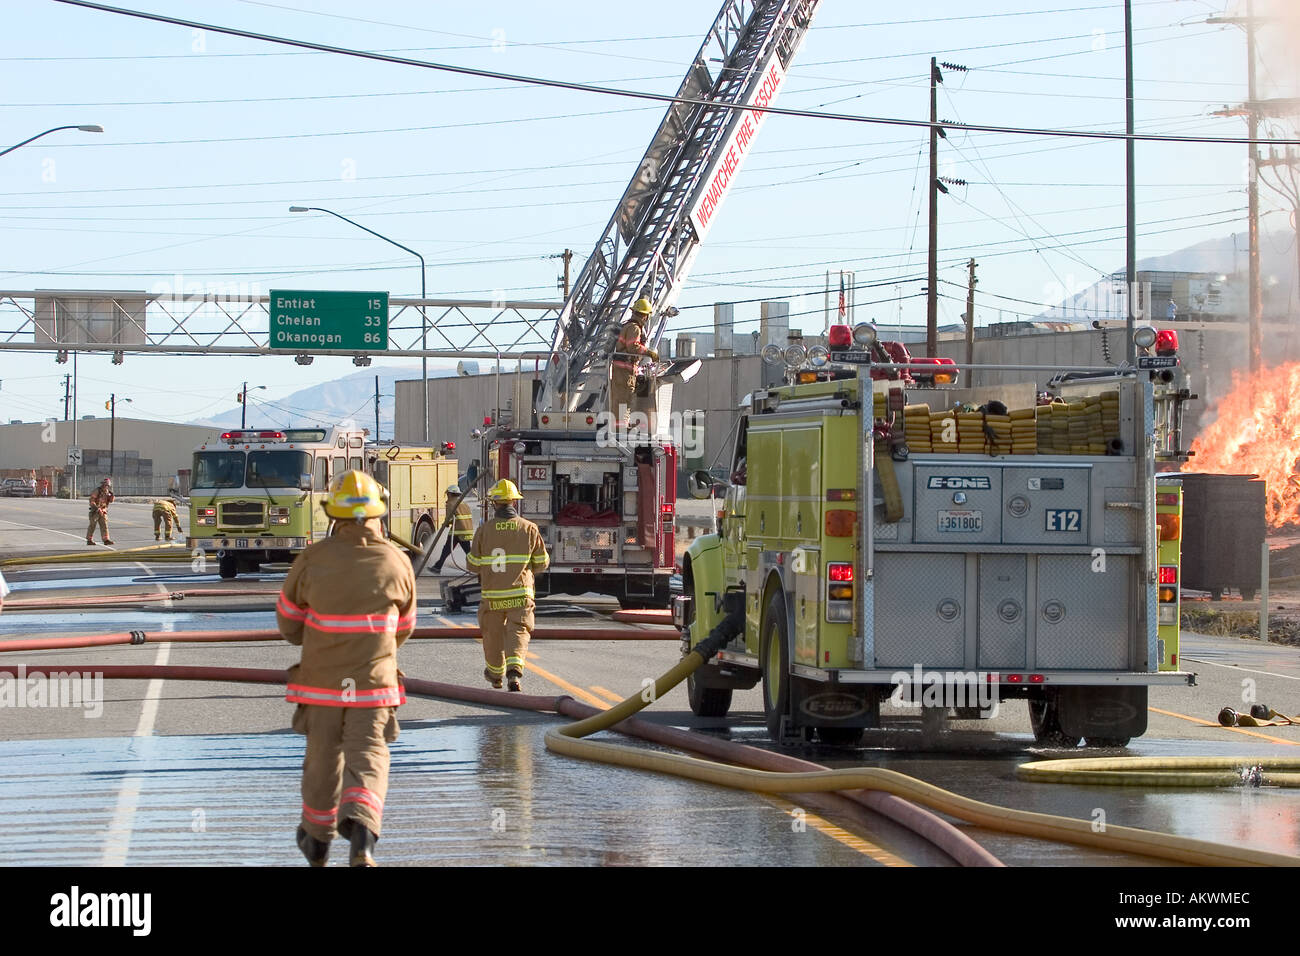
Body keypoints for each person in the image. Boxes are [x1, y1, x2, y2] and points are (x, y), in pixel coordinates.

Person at [276, 470, 416, 867]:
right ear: (378, 513)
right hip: (373, 687)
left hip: (321, 687)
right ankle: (362, 842)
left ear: (332, 514)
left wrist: (320, 640)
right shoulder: (396, 560)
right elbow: (404, 627)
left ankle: (316, 842)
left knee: (322, 758)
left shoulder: (313, 559)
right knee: (369, 756)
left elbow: (288, 623)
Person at [468, 479, 549, 692]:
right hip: (520, 594)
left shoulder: (484, 531)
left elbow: (473, 564)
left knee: (492, 634)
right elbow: (541, 563)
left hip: (493, 596)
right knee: (519, 631)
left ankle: (495, 674)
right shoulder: (529, 528)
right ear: (514, 501)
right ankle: (514, 671)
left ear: (494, 503)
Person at [608, 296, 659, 427]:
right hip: (625, 370)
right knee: (624, 399)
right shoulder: (634, 328)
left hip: (620, 369)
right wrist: (649, 353)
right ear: (645, 316)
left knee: (619, 400)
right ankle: (621, 428)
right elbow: (633, 347)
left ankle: (619, 426)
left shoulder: (628, 326)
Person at [431, 485, 474, 574]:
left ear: (450, 494)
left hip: (457, 531)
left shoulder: (450, 504)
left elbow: (449, 519)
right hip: (466, 531)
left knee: (447, 549)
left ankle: (437, 567)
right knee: (468, 552)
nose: (447, 496)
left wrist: (445, 524)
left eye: (448, 494)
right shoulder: (464, 503)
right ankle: (477, 568)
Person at [86, 477, 114, 546]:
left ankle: (106, 540)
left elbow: (111, 501)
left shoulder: (108, 492)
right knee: (92, 525)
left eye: (107, 485)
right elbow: (91, 500)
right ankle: (89, 540)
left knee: (104, 525)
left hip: (103, 511)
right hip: (95, 511)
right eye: (105, 485)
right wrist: (96, 508)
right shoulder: (97, 491)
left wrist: (112, 496)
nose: (106, 486)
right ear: (103, 484)